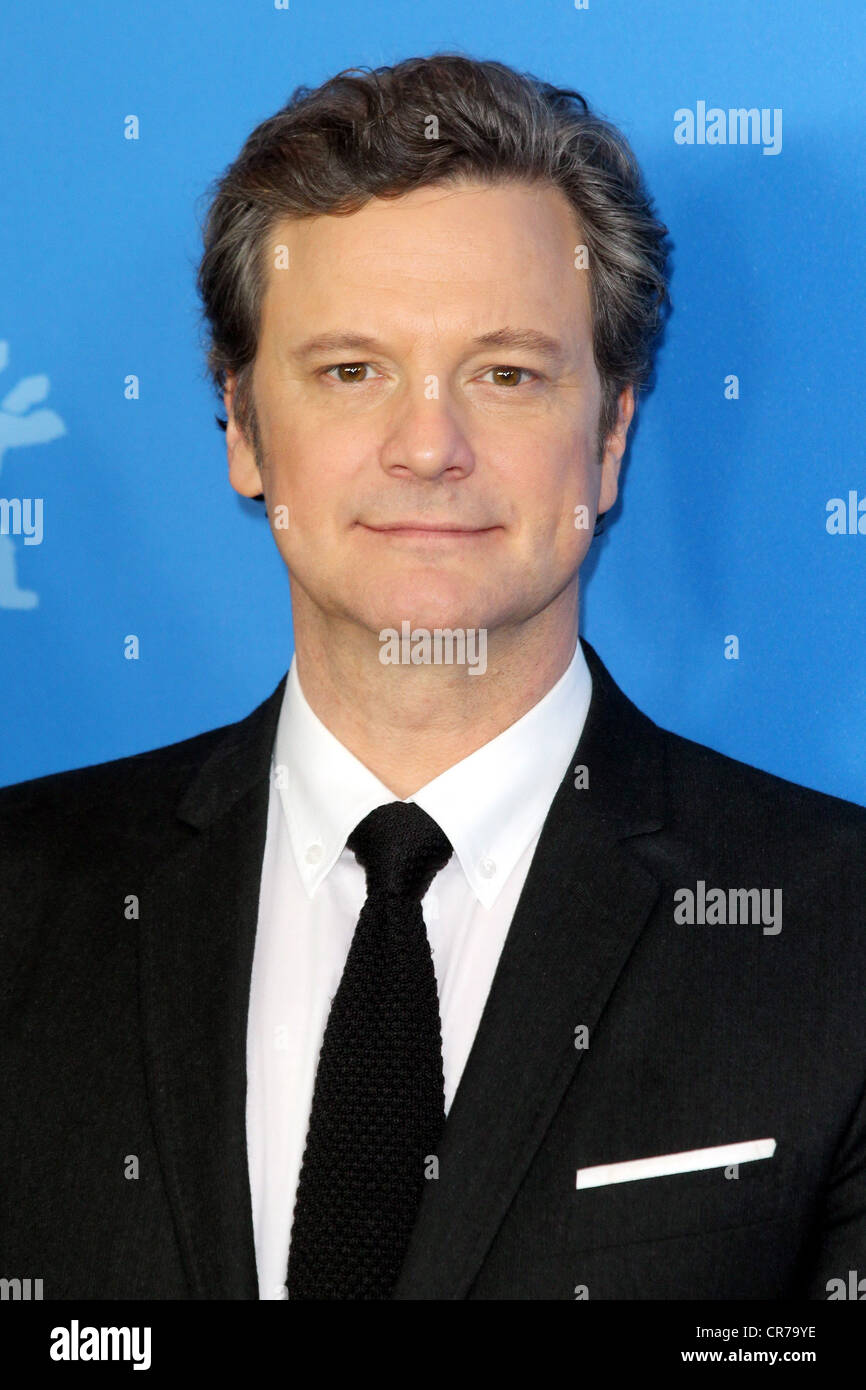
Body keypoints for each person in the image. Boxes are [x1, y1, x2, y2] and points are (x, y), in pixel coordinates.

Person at [1, 54, 864, 1302]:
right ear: (242, 427)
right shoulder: (24, 902)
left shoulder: (834, 939)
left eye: (504, 373)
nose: (428, 447)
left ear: (610, 435)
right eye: (351, 371)